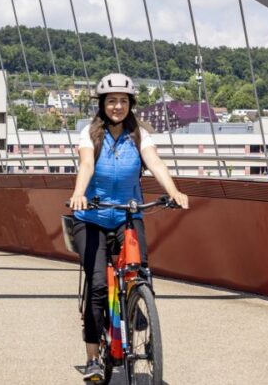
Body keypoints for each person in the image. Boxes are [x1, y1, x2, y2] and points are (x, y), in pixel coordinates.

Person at [68, 73, 189, 381]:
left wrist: (173, 191)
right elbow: (87, 165)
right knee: (97, 287)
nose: (118, 106)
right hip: (92, 217)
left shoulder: (140, 135)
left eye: (123, 101)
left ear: (131, 104)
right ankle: (94, 358)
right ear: (102, 104)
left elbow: (156, 163)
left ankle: (136, 300)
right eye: (112, 101)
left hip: (127, 214)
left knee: (139, 269)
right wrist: (80, 193)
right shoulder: (90, 135)